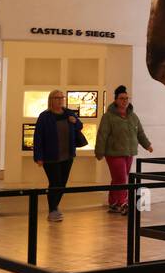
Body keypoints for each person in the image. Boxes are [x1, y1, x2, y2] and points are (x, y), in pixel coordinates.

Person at [95, 85, 153, 214]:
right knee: (121, 178)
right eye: (122, 98)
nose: (125, 101)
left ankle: (113, 203)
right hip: (114, 153)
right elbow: (102, 135)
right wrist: (99, 151)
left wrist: (147, 145)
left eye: (126, 98)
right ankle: (123, 203)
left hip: (129, 152)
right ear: (116, 100)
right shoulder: (108, 117)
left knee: (118, 178)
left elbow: (140, 133)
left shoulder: (133, 116)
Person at [32, 90, 86, 222]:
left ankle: (55, 208)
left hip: (67, 156)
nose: (60, 100)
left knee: (62, 184)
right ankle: (53, 210)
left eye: (62, 97)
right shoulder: (45, 116)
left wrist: (75, 121)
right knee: (55, 183)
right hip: (51, 157)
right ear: (51, 100)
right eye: (57, 98)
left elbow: (80, 125)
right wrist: (38, 156)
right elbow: (38, 138)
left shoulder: (69, 113)